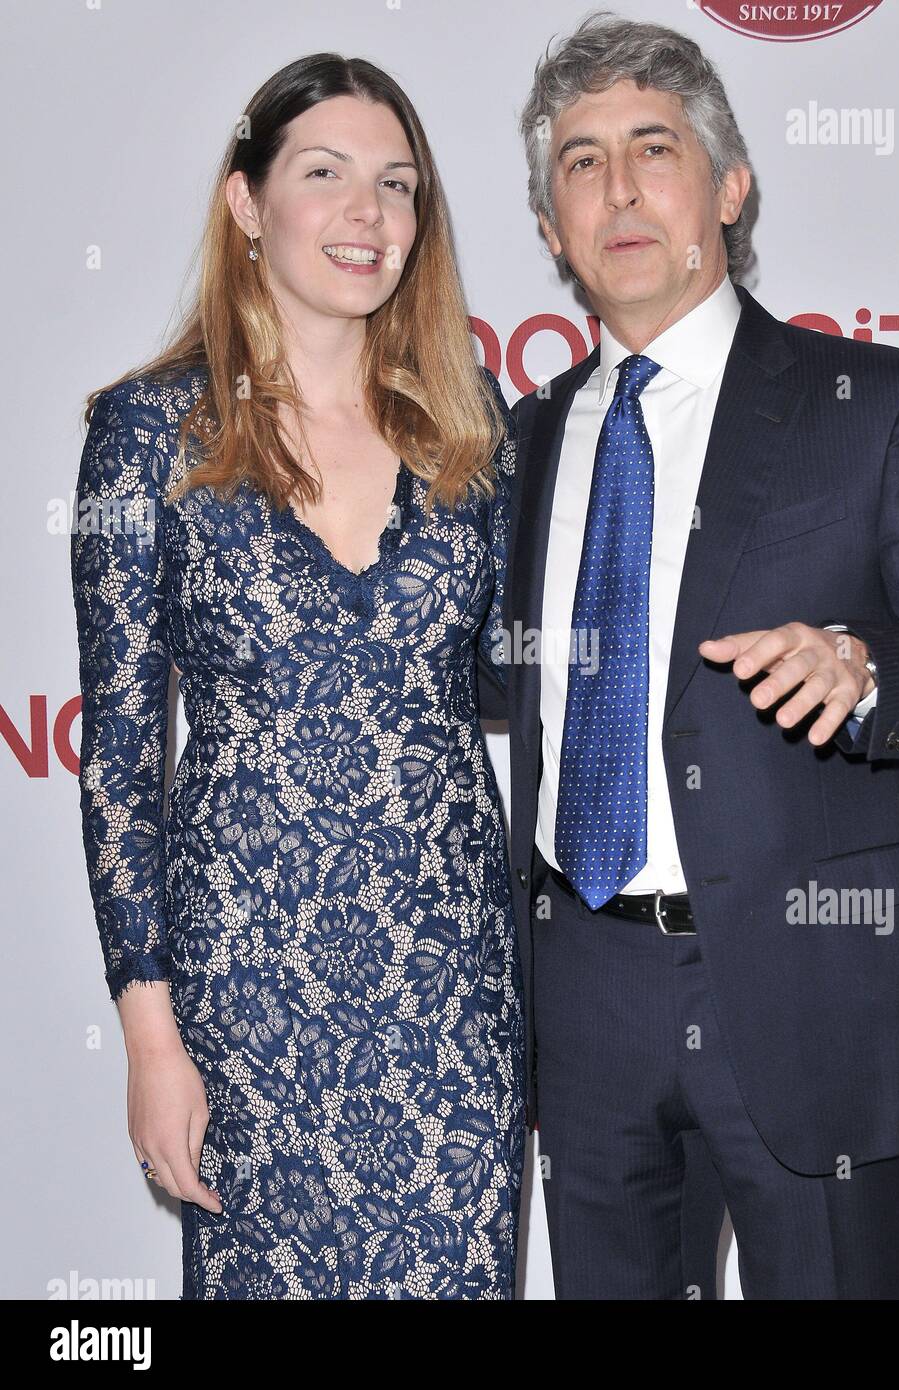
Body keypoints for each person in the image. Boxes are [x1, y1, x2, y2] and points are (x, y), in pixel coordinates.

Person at [481, 12, 899, 1299]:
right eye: (577, 162)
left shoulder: (877, 403)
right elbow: (486, 678)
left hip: (812, 996)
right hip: (584, 1000)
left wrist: (862, 668)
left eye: (651, 148)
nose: (616, 188)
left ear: (728, 188)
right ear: (551, 227)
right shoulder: (511, 447)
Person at [71, 52, 524, 1300]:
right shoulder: (148, 433)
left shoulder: (469, 430)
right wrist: (150, 1033)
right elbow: (116, 758)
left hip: (449, 991)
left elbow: (518, 681)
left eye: (397, 184)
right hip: (247, 998)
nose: (367, 214)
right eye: (323, 176)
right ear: (245, 203)